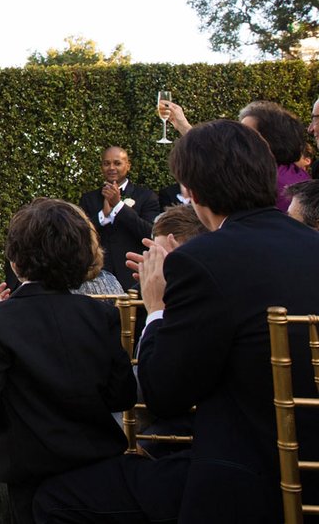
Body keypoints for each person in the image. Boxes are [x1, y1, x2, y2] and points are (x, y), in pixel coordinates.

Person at [35, 120, 319, 523]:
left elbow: (164, 394)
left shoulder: (203, 261)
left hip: (244, 481)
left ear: (193, 192)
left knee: (56, 499)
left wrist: (157, 306)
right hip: (309, 471)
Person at [0, 198, 135, 524]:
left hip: (26, 476)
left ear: (16, 261)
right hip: (95, 468)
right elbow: (122, 395)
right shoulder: (101, 316)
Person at [158, 98, 310, 210]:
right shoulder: (286, 172)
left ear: (273, 140)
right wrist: (184, 126)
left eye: (247, 135)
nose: (238, 140)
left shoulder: (268, 182)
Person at [77, 146, 161, 290]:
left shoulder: (146, 197)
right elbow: (81, 234)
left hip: (133, 275)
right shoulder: (89, 199)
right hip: (98, 277)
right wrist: (102, 216)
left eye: (117, 163)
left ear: (128, 166)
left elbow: (150, 233)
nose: (111, 168)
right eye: (106, 163)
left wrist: (118, 206)